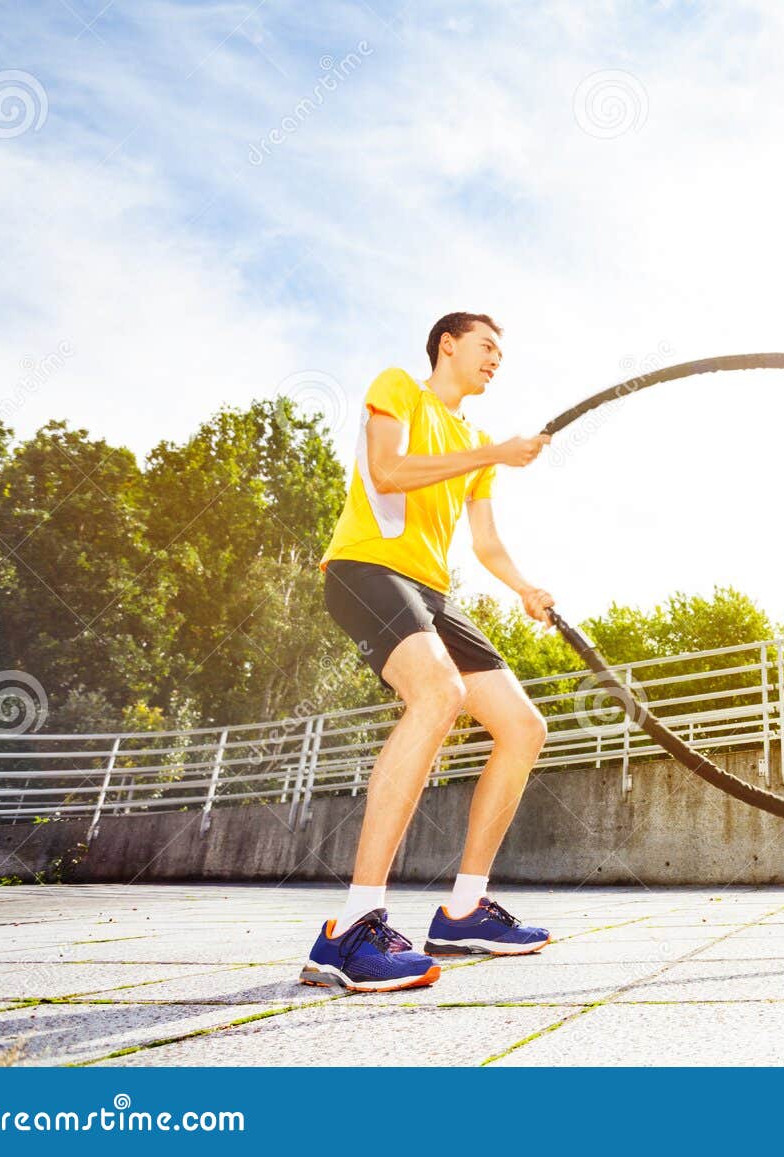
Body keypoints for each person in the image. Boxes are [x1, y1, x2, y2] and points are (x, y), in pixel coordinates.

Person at [299, 311, 556, 992]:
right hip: (364, 570)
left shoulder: (474, 441)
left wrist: (525, 586)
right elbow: (387, 471)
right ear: (449, 344)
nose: (496, 358)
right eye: (486, 346)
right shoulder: (400, 389)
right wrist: (493, 453)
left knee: (524, 727)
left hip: (433, 592)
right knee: (439, 693)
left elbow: (485, 542)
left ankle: (466, 907)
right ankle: (351, 929)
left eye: (503, 351)